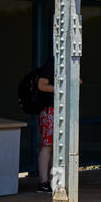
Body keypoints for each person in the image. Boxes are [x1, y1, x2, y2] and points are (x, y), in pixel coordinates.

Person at [35, 59, 55, 192]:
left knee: (55, 147)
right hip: (50, 110)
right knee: (47, 146)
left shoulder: (65, 64)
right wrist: (62, 88)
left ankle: (54, 181)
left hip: (58, 110)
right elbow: (41, 85)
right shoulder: (51, 64)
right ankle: (43, 182)